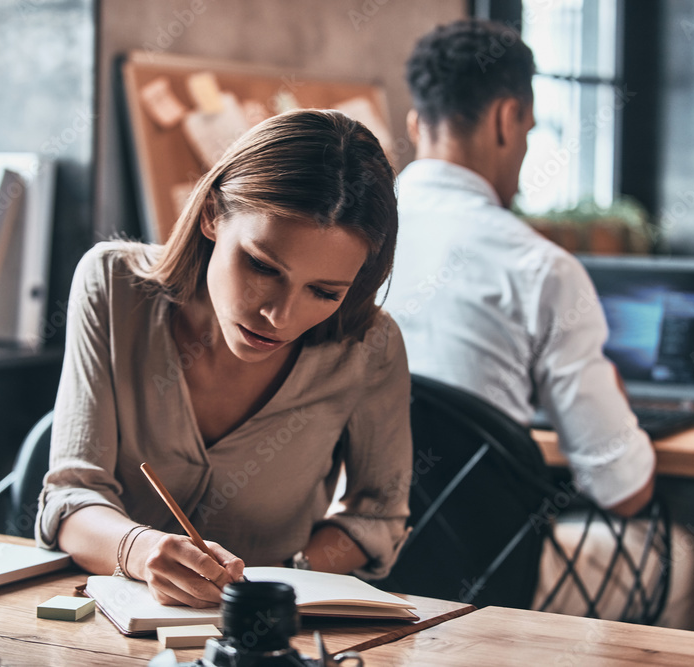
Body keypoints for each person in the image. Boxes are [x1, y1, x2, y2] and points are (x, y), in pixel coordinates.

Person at [384, 19, 694, 630]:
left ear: (413, 124)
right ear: (509, 119)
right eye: (530, 131)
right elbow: (623, 489)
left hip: (356, 570)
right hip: (492, 579)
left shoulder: (350, 245)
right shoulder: (540, 268)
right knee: (685, 554)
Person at [36, 109, 412, 608]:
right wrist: (141, 551)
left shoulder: (372, 346)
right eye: (262, 266)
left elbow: (378, 518)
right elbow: (71, 497)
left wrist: (281, 580)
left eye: (323, 292)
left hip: (271, 636)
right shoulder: (112, 286)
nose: (279, 316)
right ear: (213, 214)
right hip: (104, 632)